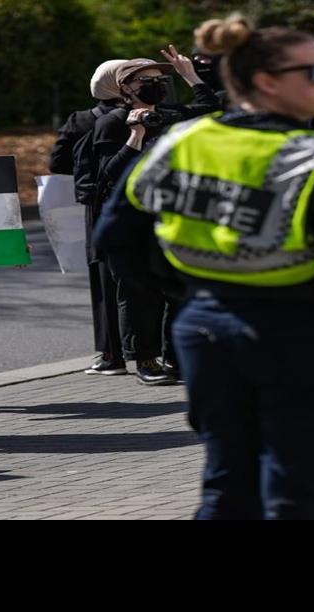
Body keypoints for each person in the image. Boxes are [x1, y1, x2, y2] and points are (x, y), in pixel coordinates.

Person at [96, 14, 314, 519]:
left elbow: (114, 239)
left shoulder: (180, 143)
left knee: (226, 484)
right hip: (301, 334)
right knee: (301, 492)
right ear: (266, 82)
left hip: (205, 330)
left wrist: (188, 290)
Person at [92, 52, 221, 386]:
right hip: (132, 224)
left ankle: (177, 358)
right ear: (126, 87)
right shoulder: (113, 122)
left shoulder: (169, 116)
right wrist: (134, 135)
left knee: (181, 290)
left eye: (159, 79)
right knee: (139, 296)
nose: (155, 85)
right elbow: (106, 175)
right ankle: (145, 360)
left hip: (171, 216)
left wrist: (189, 75)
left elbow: (213, 110)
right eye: (145, 80)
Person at [50, 59, 131, 377]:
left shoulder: (82, 120)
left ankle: (111, 352)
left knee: (105, 281)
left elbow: (58, 162)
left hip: (101, 207)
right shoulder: (149, 116)